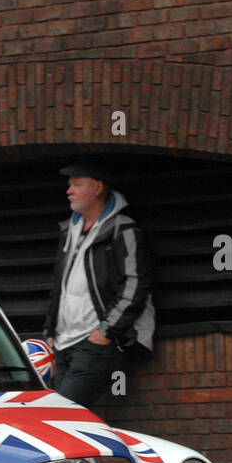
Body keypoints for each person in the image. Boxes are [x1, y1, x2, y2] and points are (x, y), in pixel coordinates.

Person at [42, 162, 155, 409]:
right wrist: (50, 331)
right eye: (69, 185)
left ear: (97, 188)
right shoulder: (69, 231)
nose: (68, 191)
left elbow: (135, 284)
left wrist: (106, 332)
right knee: (68, 419)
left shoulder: (123, 230)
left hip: (94, 343)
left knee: (62, 415)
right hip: (62, 343)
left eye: (77, 184)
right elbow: (59, 284)